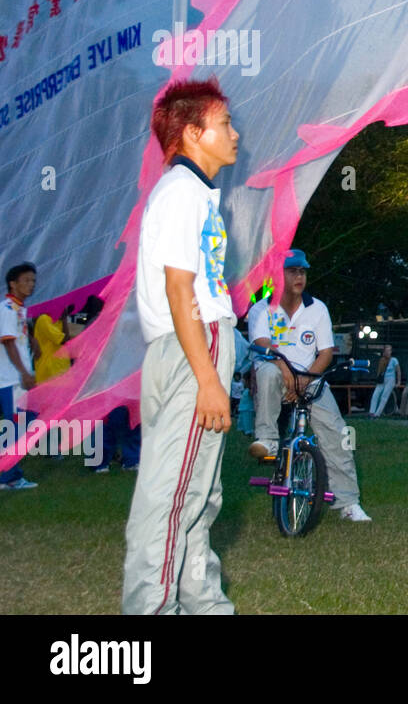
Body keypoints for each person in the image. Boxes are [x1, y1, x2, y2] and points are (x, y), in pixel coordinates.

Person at [123, 77, 239, 613]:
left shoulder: (194, 193)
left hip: (196, 345)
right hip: (195, 345)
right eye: (225, 124)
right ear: (194, 133)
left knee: (197, 493)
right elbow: (179, 289)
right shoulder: (180, 193)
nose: (235, 135)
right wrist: (208, 377)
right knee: (169, 498)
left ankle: (203, 602)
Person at [247, 249, 371, 522]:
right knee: (266, 372)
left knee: (339, 435)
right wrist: (286, 371)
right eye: (292, 271)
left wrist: (306, 379)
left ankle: (348, 502)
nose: (299, 276)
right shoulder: (260, 309)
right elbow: (262, 344)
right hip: (276, 374)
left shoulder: (317, 308)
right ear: (277, 277)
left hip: (309, 378)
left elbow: (325, 352)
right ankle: (267, 439)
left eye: (302, 271)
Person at [0, 262, 39, 490]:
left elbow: (17, 339)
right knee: (18, 427)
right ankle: (9, 476)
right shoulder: (6, 309)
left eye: (33, 280)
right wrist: (24, 373)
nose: (31, 284)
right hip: (12, 380)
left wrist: (32, 340)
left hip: (17, 379)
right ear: (13, 284)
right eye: (26, 280)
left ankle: (10, 473)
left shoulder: (18, 310)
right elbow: (8, 343)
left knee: (22, 425)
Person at [368, 343, 401, 418]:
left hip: (390, 380)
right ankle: (371, 412)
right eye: (386, 351)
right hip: (382, 380)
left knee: (384, 396)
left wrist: (398, 381)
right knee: (375, 394)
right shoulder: (382, 360)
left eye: (389, 351)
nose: (388, 352)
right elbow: (379, 371)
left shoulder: (394, 360)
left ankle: (377, 414)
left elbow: (398, 371)